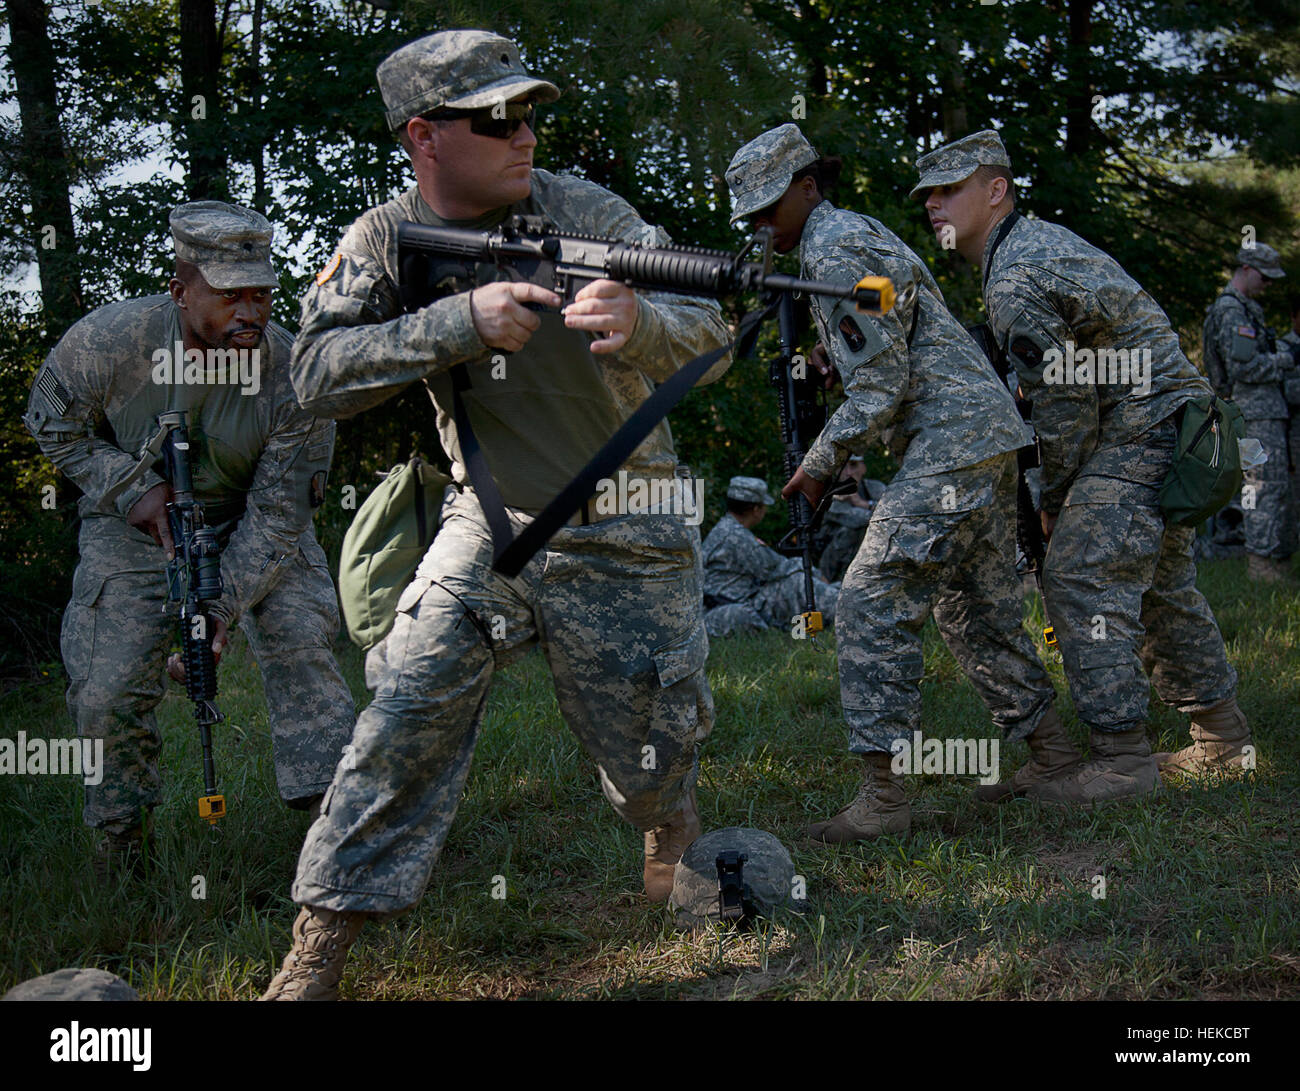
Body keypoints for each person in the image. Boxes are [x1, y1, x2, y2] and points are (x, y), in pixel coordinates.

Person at [261, 30, 731, 1000]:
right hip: (494, 517)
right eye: (496, 120)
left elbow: (714, 332)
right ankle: (320, 943)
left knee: (650, 747)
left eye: (528, 115)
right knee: (402, 711)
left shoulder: (588, 211)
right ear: (422, 137)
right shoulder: (386, 239)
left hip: (628, 513)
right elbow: (311, 374)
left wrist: (643, 324)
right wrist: (456, 323)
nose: (523, 136)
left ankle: (667, 825)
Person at [727, 124, 1071, 842]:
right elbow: (890, 341)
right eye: (750, 217)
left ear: (808, 188)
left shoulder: (834, 245)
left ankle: (884, 799)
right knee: (972, 607)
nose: (761, 227)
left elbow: (880, 388)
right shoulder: (842, 237)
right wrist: (832, 355)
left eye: (768, 208)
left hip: (952, 440)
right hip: (978, 434)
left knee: (872, 595)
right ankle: (1056, 755)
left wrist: (818, 466)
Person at [916, 129, 1251, 797]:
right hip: (1174, 417)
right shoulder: (1029, 249)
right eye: (928, 194)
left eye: (951, 189)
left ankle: (1122, 759)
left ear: (996, 190)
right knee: (1159, 583)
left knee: (1077, 572)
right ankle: (1224, 741)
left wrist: (1057, 499)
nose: (934, 204)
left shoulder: (1014, 274)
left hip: (1147, 423)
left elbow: (1065, 401)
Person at [23, 201, 354, 874]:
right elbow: (51, 423)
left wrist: (217, 605)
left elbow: (279, 512)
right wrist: (127, 486)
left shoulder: (297, 375)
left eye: (260, 293)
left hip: (249, 521)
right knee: (106, 687)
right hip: (134, 525)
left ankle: (341, 833)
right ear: (180, 289)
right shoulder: (109, 341)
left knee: (299, 637)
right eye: (230, 295)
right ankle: (120, 849)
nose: (250, 311)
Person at [1202, 245, 1299, 581]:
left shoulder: (1246, 310)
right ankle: (1260, 563)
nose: (1267, 285)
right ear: (1245, 268)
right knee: (1261, 487)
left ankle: (1275, 560)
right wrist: (1287, 359)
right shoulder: (1232, 311)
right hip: (1254, 412)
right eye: (1264, 277)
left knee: (1275, 487)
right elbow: (1244, 369)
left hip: (1266, 411)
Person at [701, 475, 840, 637]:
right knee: (797, 583)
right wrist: (814, 573)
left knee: (797, 582)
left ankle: (839, 600)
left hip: (734, 600)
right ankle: (845, 610)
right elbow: (776, 568)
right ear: (755, 510)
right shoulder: (735, 536)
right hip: (734, 604)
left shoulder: (725, 529)